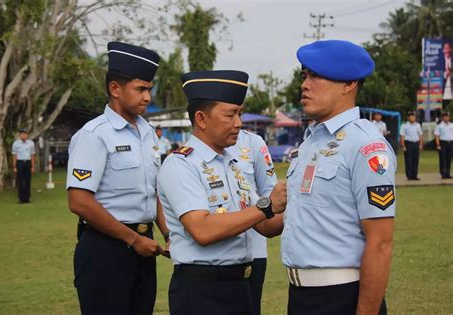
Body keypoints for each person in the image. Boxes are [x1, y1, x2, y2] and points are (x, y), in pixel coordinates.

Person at [257, 40, 396, 314]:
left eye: (316, 75)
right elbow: (296, 216)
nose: (304, 85)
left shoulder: (365, 145)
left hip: (341, 296)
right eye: (304, 75)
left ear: (349, 84)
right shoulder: (312, 141)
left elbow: (380, 242)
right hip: (301, 295)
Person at [158, 70, 287, 315]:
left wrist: (297, 198)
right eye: (230, 114)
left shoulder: (232, 164)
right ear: (201, 119)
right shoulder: (181, 164)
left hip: (240, 286)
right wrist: (266, 207)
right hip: (203, 292)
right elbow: (202, 230)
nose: (239, 123)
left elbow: (267, 227)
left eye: (239, 113)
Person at [66, 42, 170, 315]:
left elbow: (153, 191)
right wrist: (133, 240)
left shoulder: (147, 132)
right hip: (106, 251)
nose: (148, 96)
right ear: (115, 89)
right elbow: (79, 201)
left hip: (145, 248)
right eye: (140, 89)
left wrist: (169, 233)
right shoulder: (95, 134)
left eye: (150, 88)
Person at [226, 129, 277, 315]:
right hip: (210, 254)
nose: (236, 121)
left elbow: (269, 195)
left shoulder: (253, 143)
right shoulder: (189, 154)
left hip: (252, 249)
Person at [12, 129, 35, 203]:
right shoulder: (16, 144)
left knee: (28, 181)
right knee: (20, 181)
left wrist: (33, 166)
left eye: (25, 134)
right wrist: (14, 166)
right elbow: (14, 156)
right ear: (20, 135)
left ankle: (27, 198)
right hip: (20, 162)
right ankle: (21, 198)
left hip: (28, 162)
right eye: (22, 134)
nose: (24, 136)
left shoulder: (31, 143)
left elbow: (32, 155)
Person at [400, 111, 423, 180]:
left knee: (416, 160)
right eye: (411, 116)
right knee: (408, 160)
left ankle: (414, 175)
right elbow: (402, 136)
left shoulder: (418, 125)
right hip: (408, 143)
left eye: (414, 116)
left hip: (416, 143)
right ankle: (409, 176)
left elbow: (420, 135)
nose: (413, 118)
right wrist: (403, 145)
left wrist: (421, 144)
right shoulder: (405, 125)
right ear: (408, 117)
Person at [434, 111, 453, 179]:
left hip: (450, 143)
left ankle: (448, 173)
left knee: (449, 159)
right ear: (442, 117)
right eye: (445, 116)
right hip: (443, 143)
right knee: (442, 159)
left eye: (447, 116)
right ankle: (443, 173)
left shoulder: (451, 125)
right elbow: (437, 136)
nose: (446, 118)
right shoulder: (439, 126)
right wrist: (438, 144)